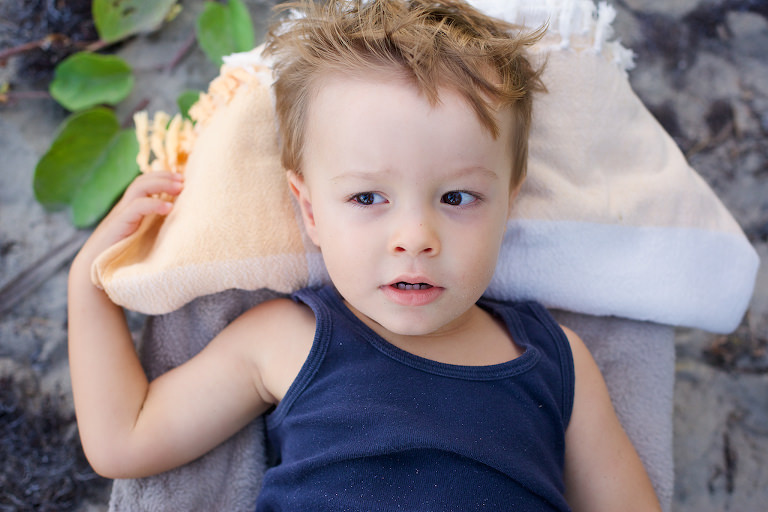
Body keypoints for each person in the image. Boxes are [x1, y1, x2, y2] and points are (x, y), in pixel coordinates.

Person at [68, 1, 661, 510]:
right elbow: (125, 439)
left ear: (510, 199)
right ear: (310, 210)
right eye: (367, 197)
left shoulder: (556, 360)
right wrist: (88, 286)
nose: (415, 236)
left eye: (457, 197)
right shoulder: (285, 339)